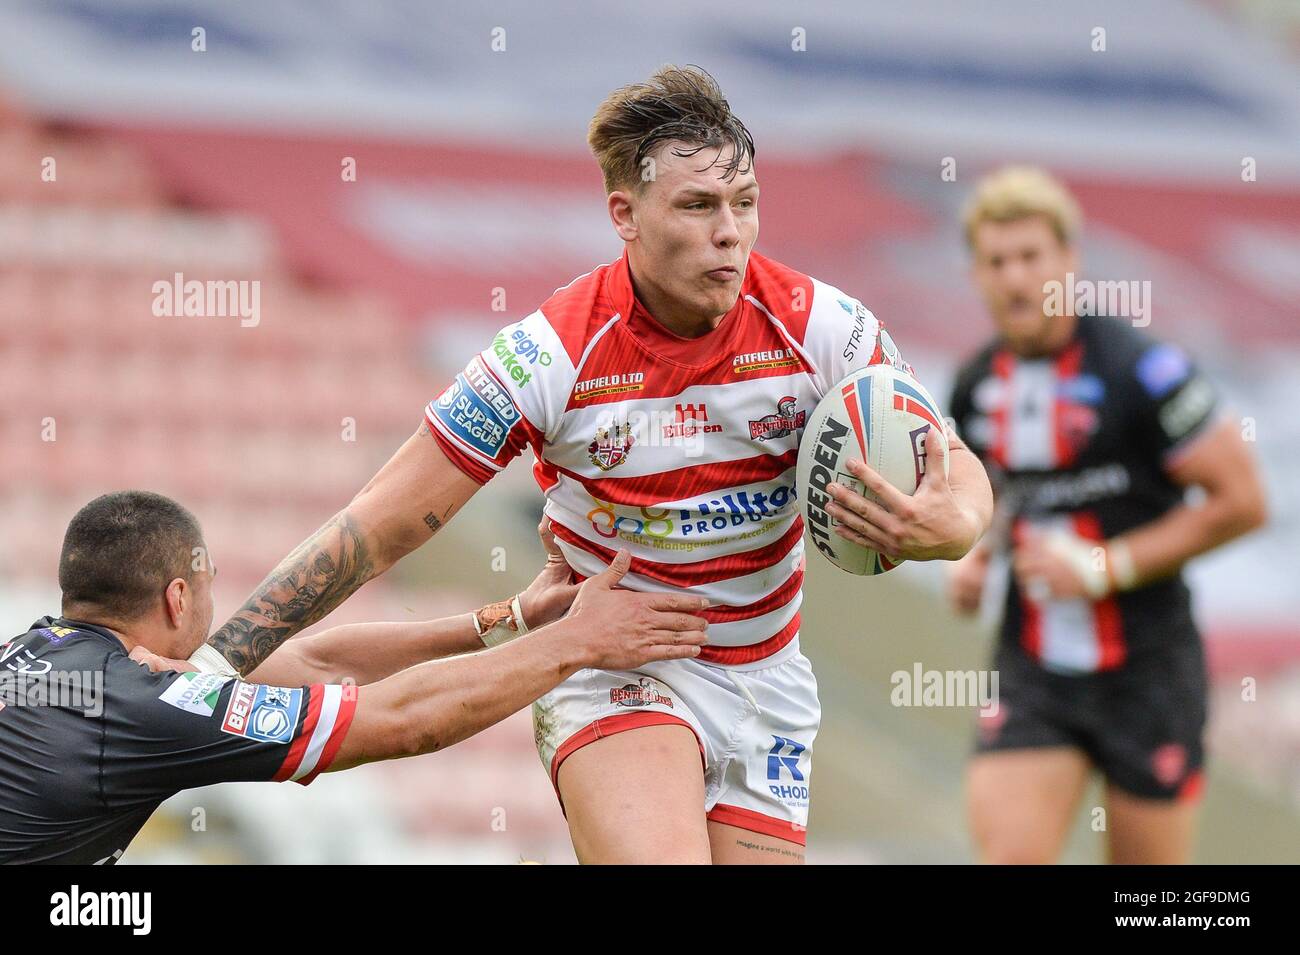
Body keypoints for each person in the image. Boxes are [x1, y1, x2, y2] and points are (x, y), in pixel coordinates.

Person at [194, 66, 993, 864]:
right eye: (696, 205)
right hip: (616, 665)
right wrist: (211, 661)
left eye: (744, 203)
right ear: (626, 214)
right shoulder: (550, 353)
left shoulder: (825, 328)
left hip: (766, 680)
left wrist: (949, 523)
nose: (730, 232)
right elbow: (382, 522)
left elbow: (952, 466)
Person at [0, 490, 707, 864]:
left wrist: (511, 618)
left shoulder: (39, 652)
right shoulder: (146, 705)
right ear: (178, 599)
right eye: (209, 586)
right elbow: (405, 723)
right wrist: (576, 643)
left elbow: (315, 663)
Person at [945, 167, 1268, 864]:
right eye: (996, 261)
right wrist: (977, 554)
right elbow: (1000, 491)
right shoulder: (974, 387)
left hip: (1148, 670)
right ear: (976, 275)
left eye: (1031, 257)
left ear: (1069, 261)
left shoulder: (1143, 371)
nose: (1015, 277)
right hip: (1034, 672)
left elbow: (1244, 503)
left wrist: (1104, 565)